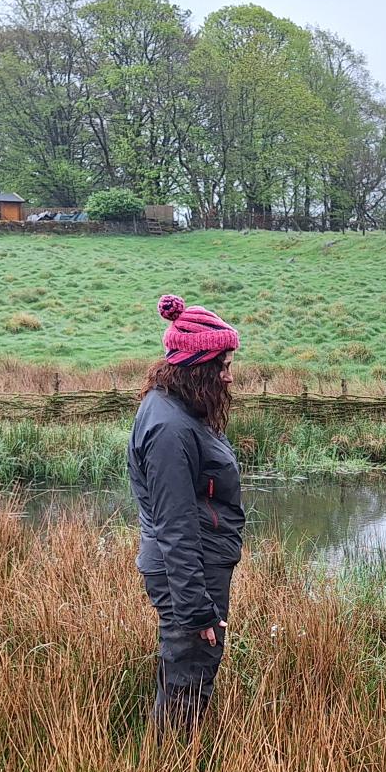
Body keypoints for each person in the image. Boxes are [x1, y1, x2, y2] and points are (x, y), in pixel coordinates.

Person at [128, 293, 244, 732]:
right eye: (223, 366)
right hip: (187, 573)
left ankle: (168, 767)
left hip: (195, 568)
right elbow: (175, 525)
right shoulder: (169, 428)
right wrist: (197, 611)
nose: (229, 378)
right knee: (189, 678)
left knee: (185, 674)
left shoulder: (179, 411)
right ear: (197, 367)